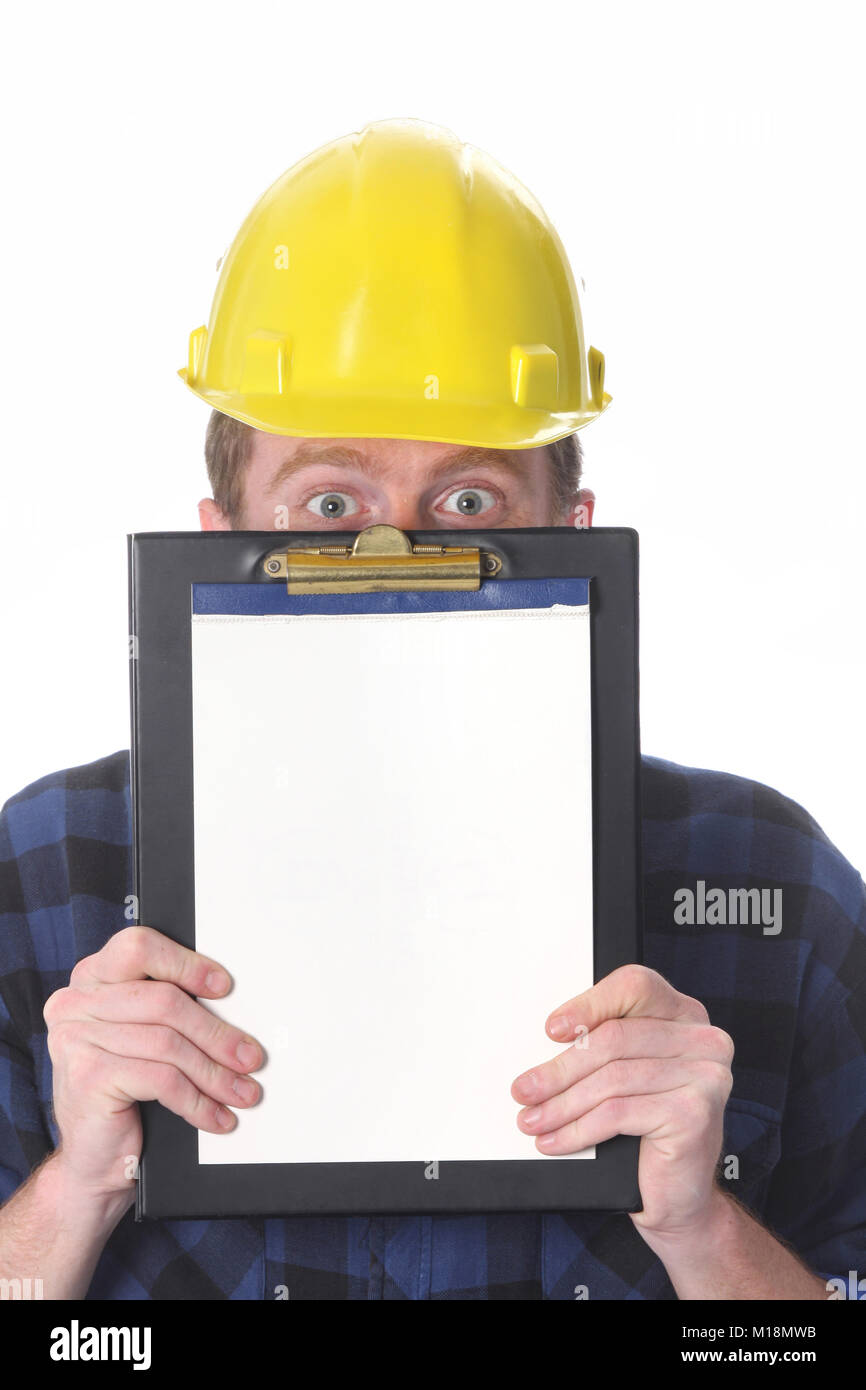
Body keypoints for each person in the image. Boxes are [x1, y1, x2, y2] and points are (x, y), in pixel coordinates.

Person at [1, 120, 864, 1302]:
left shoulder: (773, 882)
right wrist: (76, 1188)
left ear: (570, 531)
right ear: (219, 541)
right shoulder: (43, 872)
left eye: (467, 493)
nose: (392, 553)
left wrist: (700, 1230)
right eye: (327, 497)